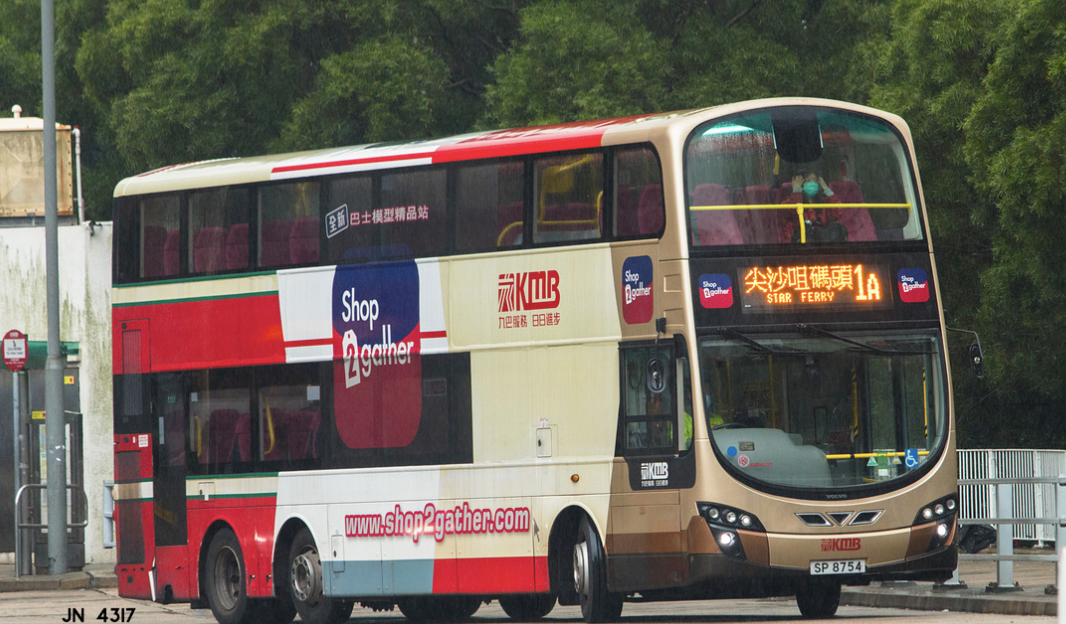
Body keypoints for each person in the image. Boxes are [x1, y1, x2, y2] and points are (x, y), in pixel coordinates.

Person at [778, 171, 844, 243]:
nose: (812, 183)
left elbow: (837, 213)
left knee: (837, 228)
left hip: (821, 242)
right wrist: (797, 190)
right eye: (808, 180)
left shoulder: (824, 203)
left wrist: (826, 189)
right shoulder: (789, 202)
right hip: (799, 242)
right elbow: (791, 212)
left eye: (815, 180)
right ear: (801, 183)